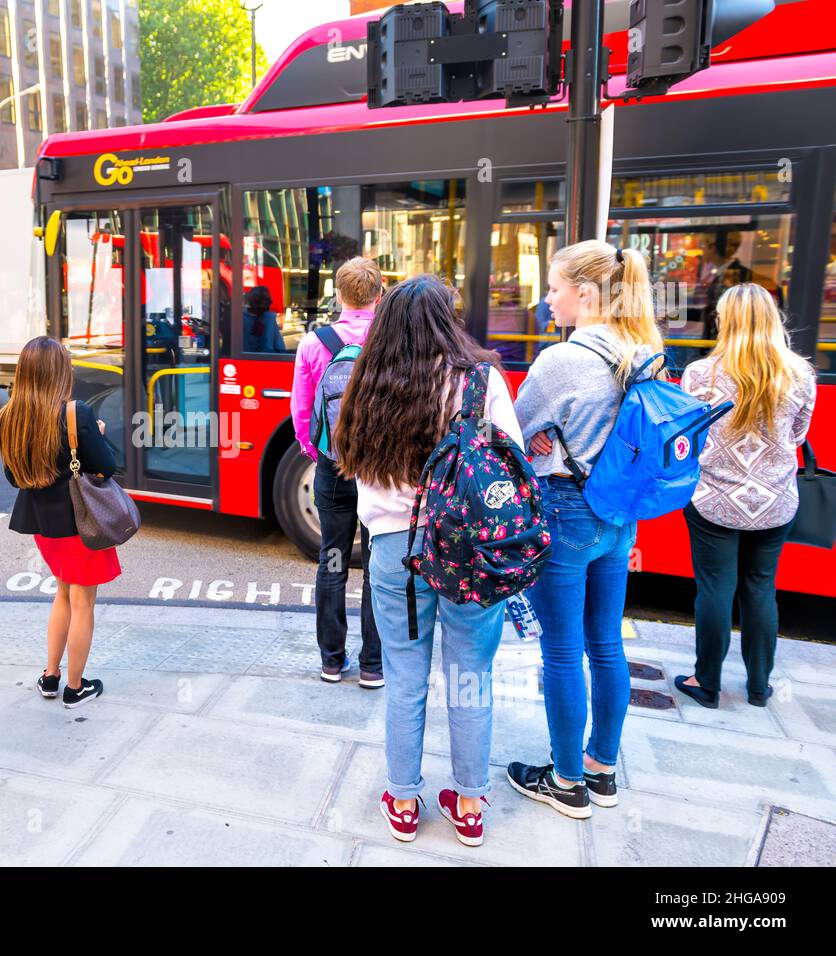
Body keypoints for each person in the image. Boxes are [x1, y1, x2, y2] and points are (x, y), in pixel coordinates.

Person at [336, 275, 524, 848]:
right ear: (449, 319)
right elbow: (514, 469)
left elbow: (349, 460)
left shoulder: (368, 379)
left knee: (404, 674)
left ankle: (402, 798)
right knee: (470, 674)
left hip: (395, 549)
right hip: (468, 548)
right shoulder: (481, 380)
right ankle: (468, 804)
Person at [510, 239, 664, 819]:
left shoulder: (561, 360)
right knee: (606, 644)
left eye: (553, 288)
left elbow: (507, 432)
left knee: (561, 651)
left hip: (567, 511)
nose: (546, 300)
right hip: (618, 515)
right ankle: (602, 771)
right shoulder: (645, 351)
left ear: (585, 293)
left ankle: (566, 781)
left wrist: (540, 439)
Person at [675, 283, 817, 709]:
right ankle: (758, 687)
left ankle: (707, 683)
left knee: (715, 589)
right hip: (776, 502)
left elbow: (687, 435)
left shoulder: (700, 374)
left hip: (714, 499)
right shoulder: (800, 374)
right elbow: (798, 436)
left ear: (725, 321)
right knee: (761, 588)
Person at [0, 336, 120, 709]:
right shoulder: (74, 413)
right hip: (81, 524)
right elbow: (106, 467)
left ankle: (51, 675)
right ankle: (75, 686)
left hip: (44, 528)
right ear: (59, 371)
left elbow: (13, 477)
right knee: (83, 603)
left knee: (63, 594)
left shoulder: (8, 416)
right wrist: (95, 435)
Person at [290, 257, 384, 687]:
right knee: (377, 564)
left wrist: (322, 452)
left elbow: (300, 416)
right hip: (381, 471)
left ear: (340, 295)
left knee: (332, 559)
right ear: (378, 295)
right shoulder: (391, 341)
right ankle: (372, 666)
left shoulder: (314, 343)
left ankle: (331, 660)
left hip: (332, 468)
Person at [242, 286, 285, 353]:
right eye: (267, 300)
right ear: (256, 302)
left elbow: (279, 345)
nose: (271, 302)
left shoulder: (270, 318)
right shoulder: (241, 319)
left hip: (269, 359)